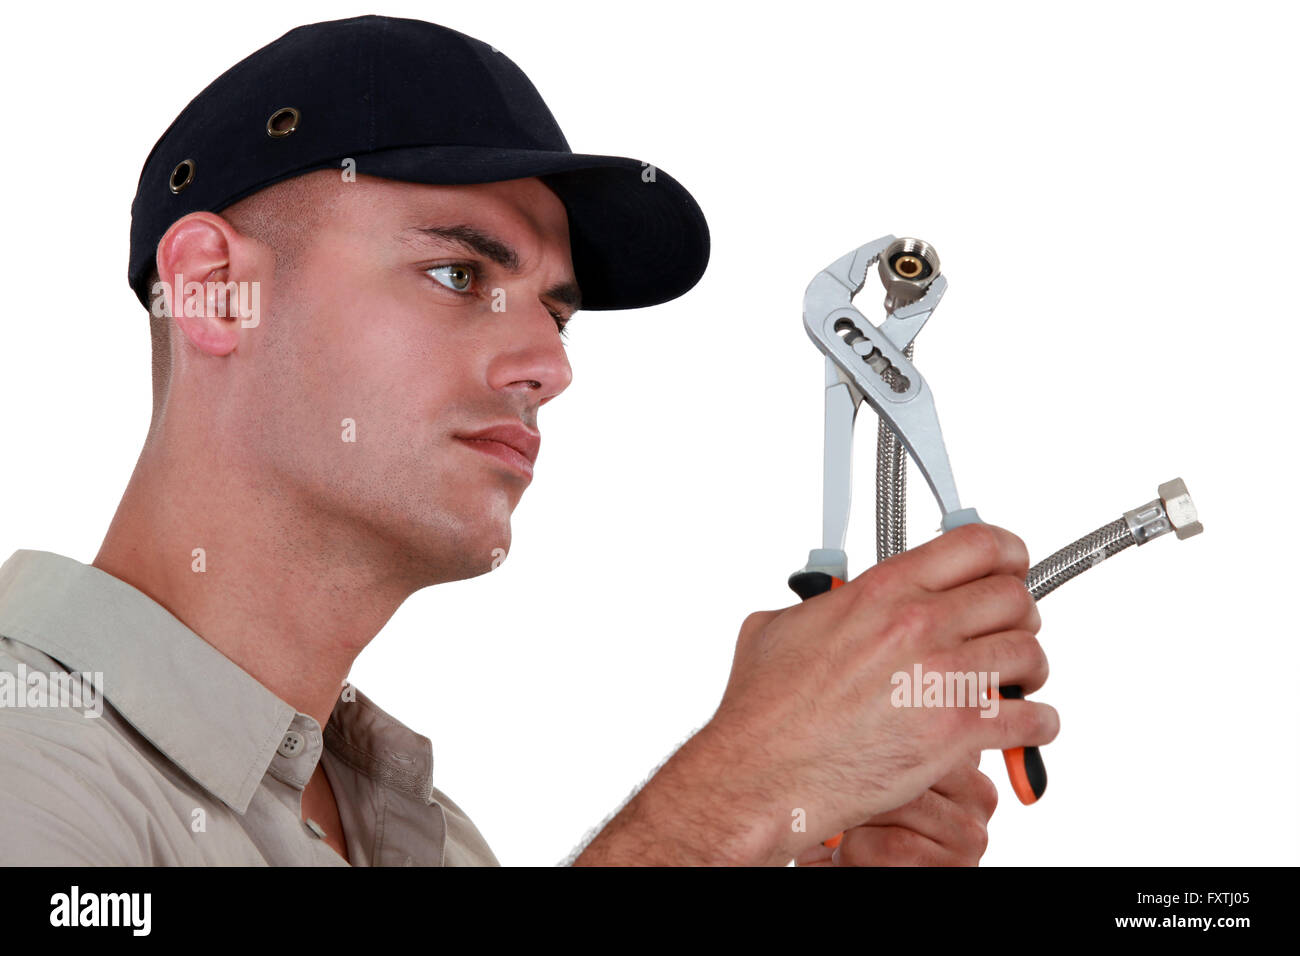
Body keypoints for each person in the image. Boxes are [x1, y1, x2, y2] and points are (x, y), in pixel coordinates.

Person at [0, 15, 1056, 866]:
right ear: (212, 291)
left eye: (554, 311)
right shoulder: (25, 758)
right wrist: (734, 794)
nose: (549, 366)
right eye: (460, 274)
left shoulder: (428, 837)